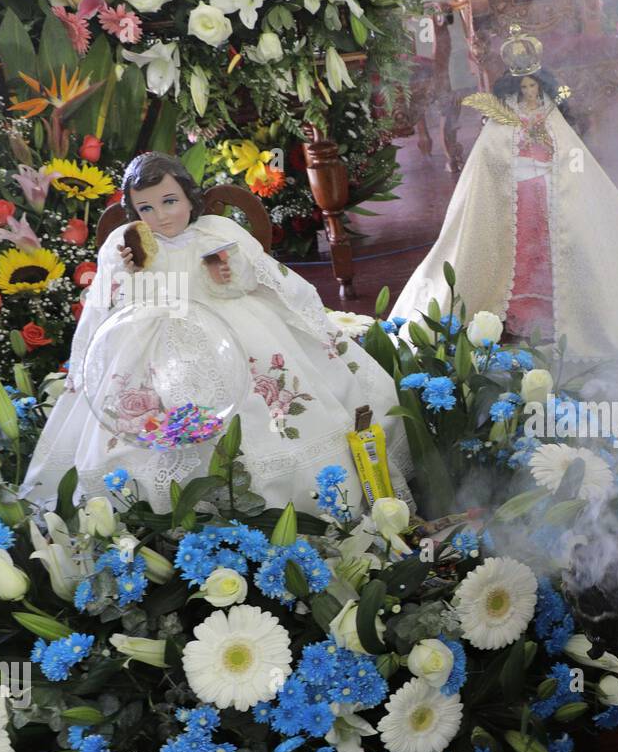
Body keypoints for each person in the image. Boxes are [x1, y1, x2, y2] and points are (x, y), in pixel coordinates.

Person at [23, 152, 413, 514]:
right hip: (152, 338)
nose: (160, 216)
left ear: (190, 198)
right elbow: (110, 308)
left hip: (231, 327)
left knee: (266, 400)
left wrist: (228, 274)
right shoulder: (123, 246)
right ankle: (163, 510)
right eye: (146, 207)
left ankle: (293, 499)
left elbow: (256, 278)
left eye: (169, 201)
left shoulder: (215, 232)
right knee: (144, 418)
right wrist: (130, 273)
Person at [386, 25, 618, 357]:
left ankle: (560, 303)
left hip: (550, 191)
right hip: (517, 196)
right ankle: (519, 300)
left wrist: (556, 164)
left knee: (551, 248)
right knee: (521, 254)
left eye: (534, 85)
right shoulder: (503, 120)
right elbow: (490, 158)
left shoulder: (550, 115)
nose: (530, 91)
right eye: (524, 86)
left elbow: (570, 156)